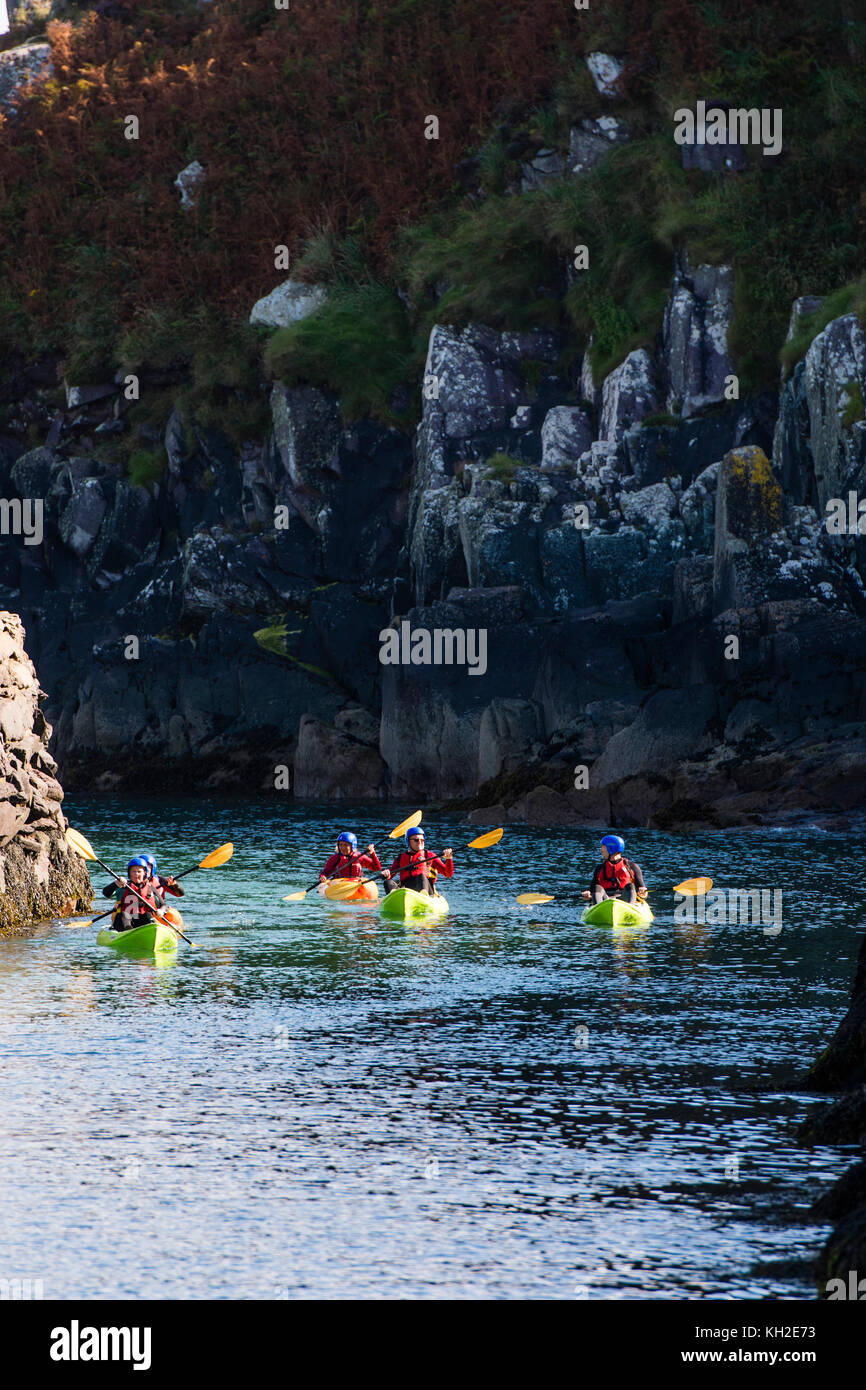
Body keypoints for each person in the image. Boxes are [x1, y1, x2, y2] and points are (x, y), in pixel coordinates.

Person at [383, 827, 453, 898]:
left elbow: (448, 874)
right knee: (387, 882)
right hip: (406, 891)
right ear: (408, 841)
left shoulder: (431, 856)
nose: (420, 842)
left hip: (427, 891)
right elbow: (391, 874)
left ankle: (423, 896)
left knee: (421, 876)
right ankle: (394, 897)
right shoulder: (400, 857)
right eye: (416, 840)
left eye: (422, 840)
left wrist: (448, 859)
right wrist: (386, 874)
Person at [581, 835, 647, 906]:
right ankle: (598, 908)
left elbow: (644, 892)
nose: (601, 851)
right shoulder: (599, 869)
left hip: (625, 901)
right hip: (605, 901)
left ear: (610, 848)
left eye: (603, 847)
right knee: (597, 887)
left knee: (630, 886)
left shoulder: (632, 867)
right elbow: (591, 892)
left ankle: (631, 907)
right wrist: (587, 894)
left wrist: (642, 892)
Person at [104, 857, 163, 932]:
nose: (136, 874)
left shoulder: (150, 888)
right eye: (133, 871)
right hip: (125, 920)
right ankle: (129, 931)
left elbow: (163, 905)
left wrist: (161, 910)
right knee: (125, 916)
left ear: (144, 872)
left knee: (149, 916)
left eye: (139, 871)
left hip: (142, 919)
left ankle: (152, 931)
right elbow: (106, 893)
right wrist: (115, 884)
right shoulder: (123, 887)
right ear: (129, 873)